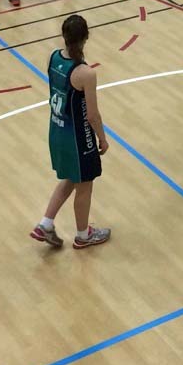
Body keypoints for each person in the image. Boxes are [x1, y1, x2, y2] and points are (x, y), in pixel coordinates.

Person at [31, 15, 111, 249]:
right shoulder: (85, 73)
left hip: (56, 131)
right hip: (78, 139)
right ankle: (83, 235)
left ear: (64, 36)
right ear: (86, 37)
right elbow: (92, 115)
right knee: (84, 185)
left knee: (70, 178)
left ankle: (45, 224)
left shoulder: (53, 57)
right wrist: (103, 138)